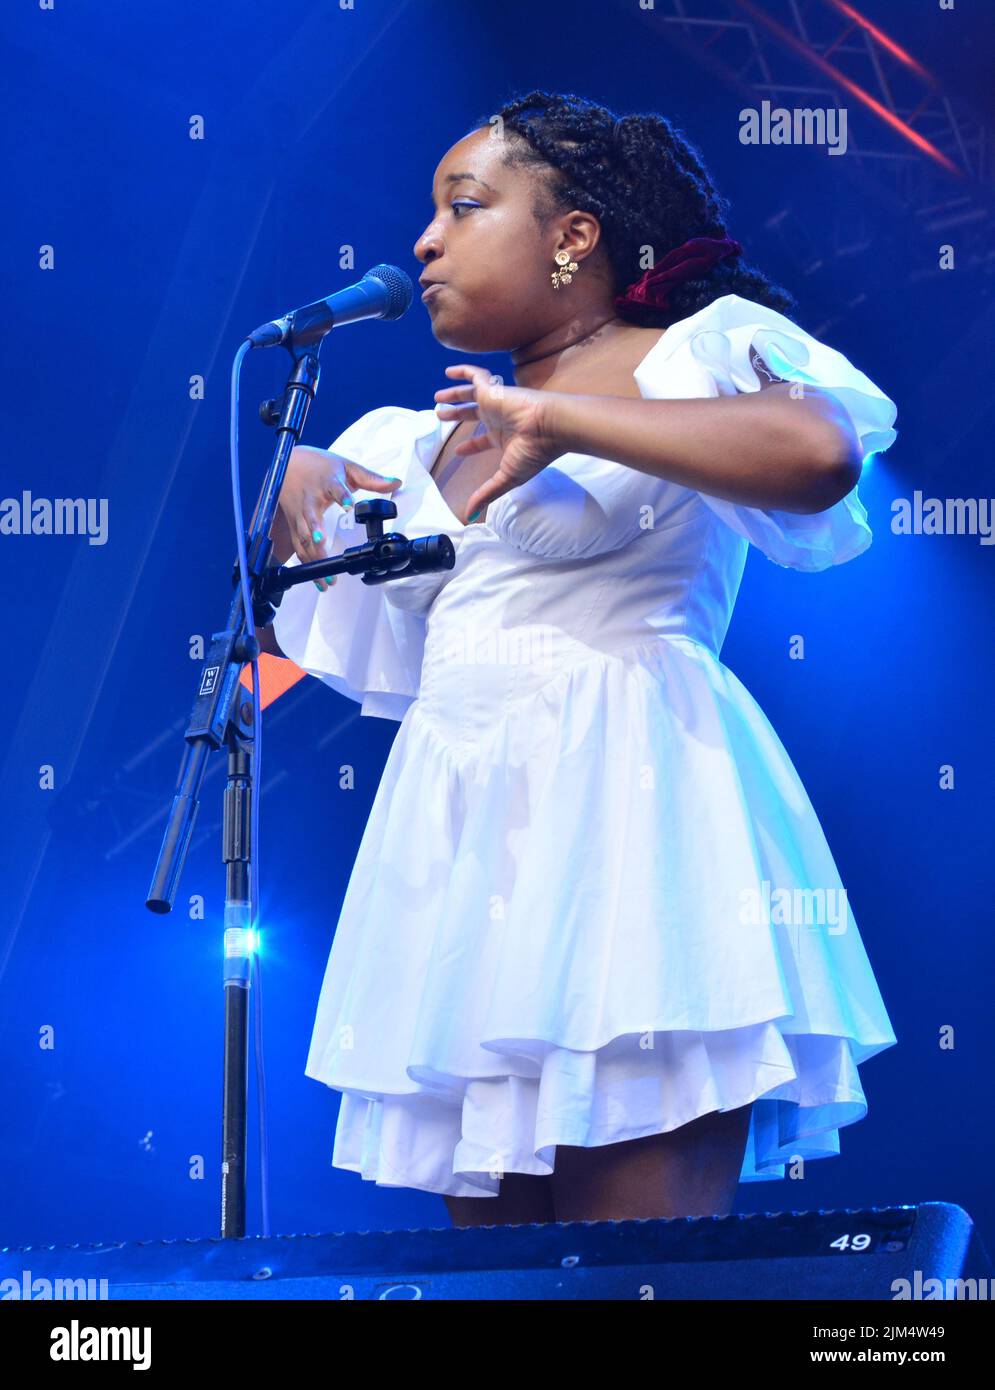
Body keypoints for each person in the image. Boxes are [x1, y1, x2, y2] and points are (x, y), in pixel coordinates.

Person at [261, 91, 898, 1228]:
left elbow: (815, 454)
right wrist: (296, 478)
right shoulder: (414, 438)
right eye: (429, 213)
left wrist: (565, 424)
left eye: (464, 207)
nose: (424, 242)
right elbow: (331, 638)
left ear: (572, 236)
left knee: (629, 1268)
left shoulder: (695, 349)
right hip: (463, 823)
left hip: (631, 797)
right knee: (496, 1274)